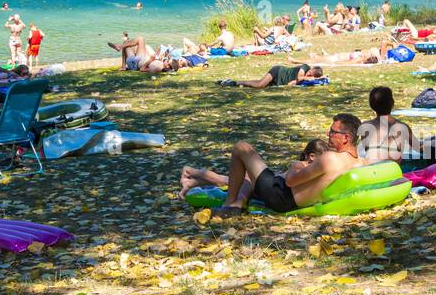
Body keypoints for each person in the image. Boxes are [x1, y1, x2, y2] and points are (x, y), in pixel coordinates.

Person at [211, 115, 364, 216]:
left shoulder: (330, 158)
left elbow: (290, 181)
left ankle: (229, 203)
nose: (328, 134)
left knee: (241, 147)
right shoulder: (361, 162)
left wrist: (297, 164)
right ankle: (235, 201)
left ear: (346, 137)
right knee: (249, 174)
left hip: (280, 196)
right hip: (295, 200)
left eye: (332, 132)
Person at [179, 138, 332, 201]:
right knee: (227, 180)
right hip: (270, 185)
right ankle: (191, 172)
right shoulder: (302, 166)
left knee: (229, 180)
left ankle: (192, 182)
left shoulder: (304, 166)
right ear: (312, 157)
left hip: (271, 181)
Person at [357, 87, 421, 162]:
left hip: (371, 169)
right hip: (392, 170)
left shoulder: (365, 127)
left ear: (371, 105)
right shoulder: (402, 127)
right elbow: (418, 147)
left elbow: (367, 149)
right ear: (392, 103)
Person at [218, 59, 324, 88]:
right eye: (310, 72)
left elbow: (290, 84)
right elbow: (300, 77)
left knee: (260, 83)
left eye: (311, 75)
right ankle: (233, 82)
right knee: (260, 84)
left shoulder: (307, 78)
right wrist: (309, 78)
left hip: (279, 81)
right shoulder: (305, 67)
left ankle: (236, 83)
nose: (309, 74)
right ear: (312, 68)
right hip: (278, 71)